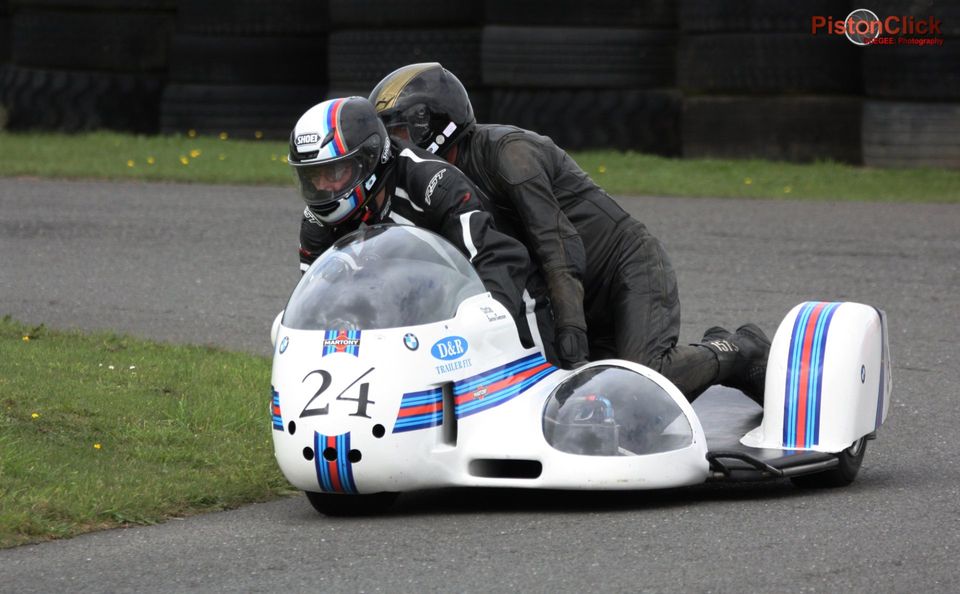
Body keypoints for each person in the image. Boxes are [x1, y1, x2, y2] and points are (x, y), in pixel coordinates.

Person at [368, 63, 770, 403]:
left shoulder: (510, 154)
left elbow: (558, 248)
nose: (395, 146)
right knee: (590, 402)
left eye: (400, 133)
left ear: (434, 125)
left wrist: (572, 337)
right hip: (565, 293)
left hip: (624, 267)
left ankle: (736, 347)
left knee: (642, 381)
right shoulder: (428, 182)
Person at [291, 96, 551, 354]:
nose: (323, 187)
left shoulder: (433, 184)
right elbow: (321, 304)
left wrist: (489, 321)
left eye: (334, 173)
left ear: (369, 158)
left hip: (508, 302)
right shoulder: (317, 222)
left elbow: (496, 256)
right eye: (313, 176)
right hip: (416, 311)